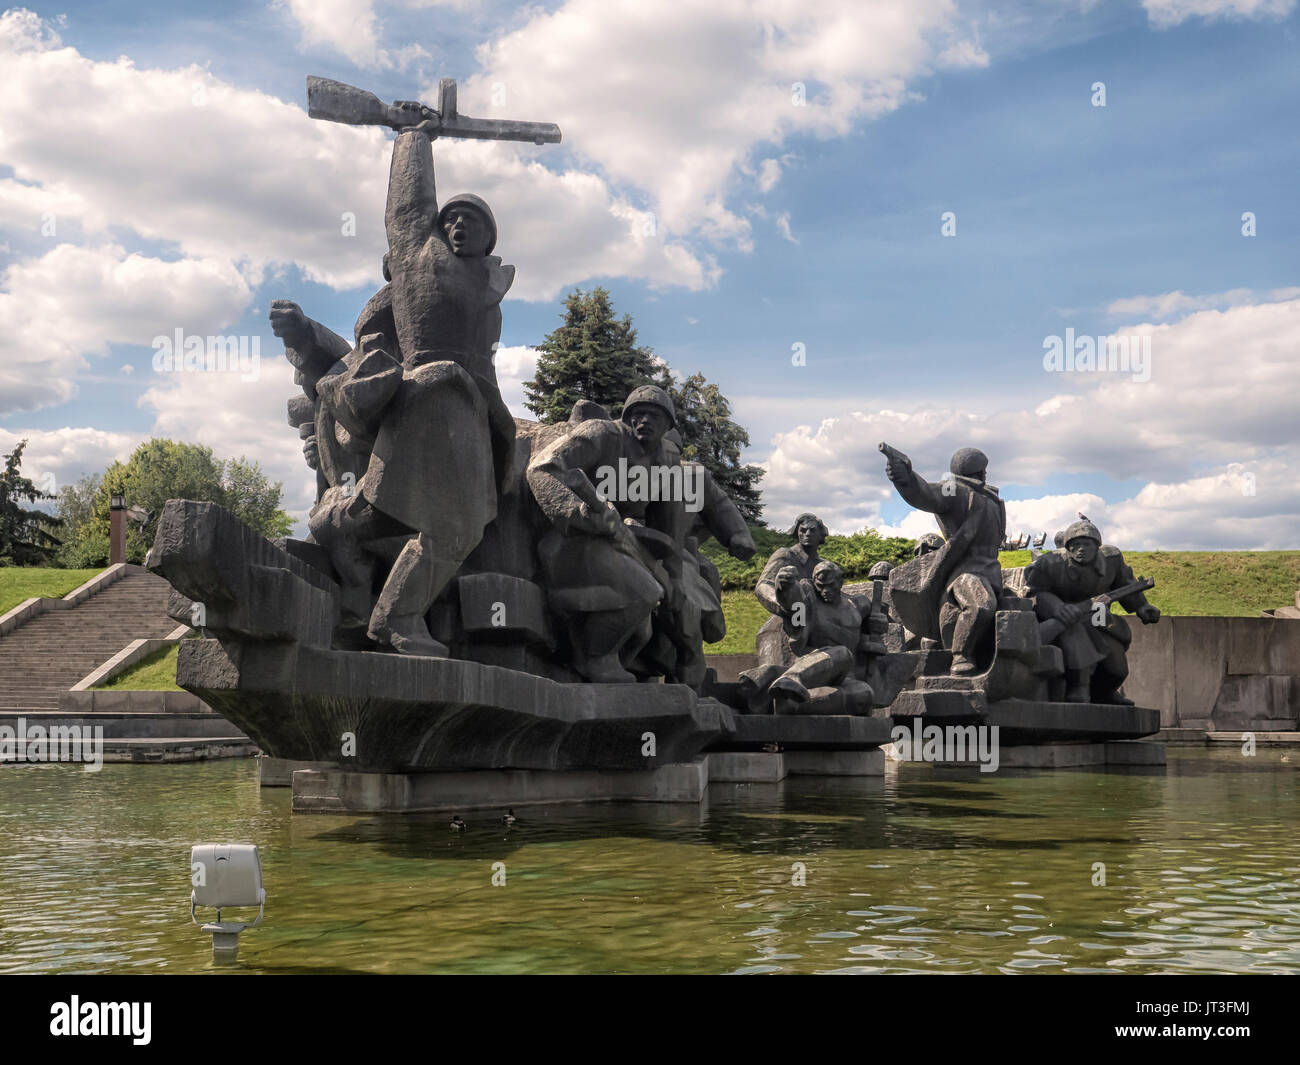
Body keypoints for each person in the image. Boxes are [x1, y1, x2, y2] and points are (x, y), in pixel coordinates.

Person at [883, 446, 1005, 674]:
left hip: (991, 571)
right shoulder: (956, 489)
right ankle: (960, 656)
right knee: (980, 604)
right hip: (965, 572)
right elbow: (927, 494)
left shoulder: (990, 498)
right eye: (982, 469)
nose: (986, 474)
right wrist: (905, 478)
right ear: (975, 470)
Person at [1026, 518, 1159, 703]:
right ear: (1067, 547)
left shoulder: (1112, 559)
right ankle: (1078, 690)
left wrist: (1142, 607)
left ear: (1097, 546)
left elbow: (1126, 585)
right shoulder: (1051, 563)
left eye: (1087, 544)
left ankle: (1105, 693)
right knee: (1076, 644)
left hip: (1098, 618)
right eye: (1076, 544)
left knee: (1117, 669)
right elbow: (1035, 592)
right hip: (1065, 619)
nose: (1081, 549)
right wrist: (1058, 608)